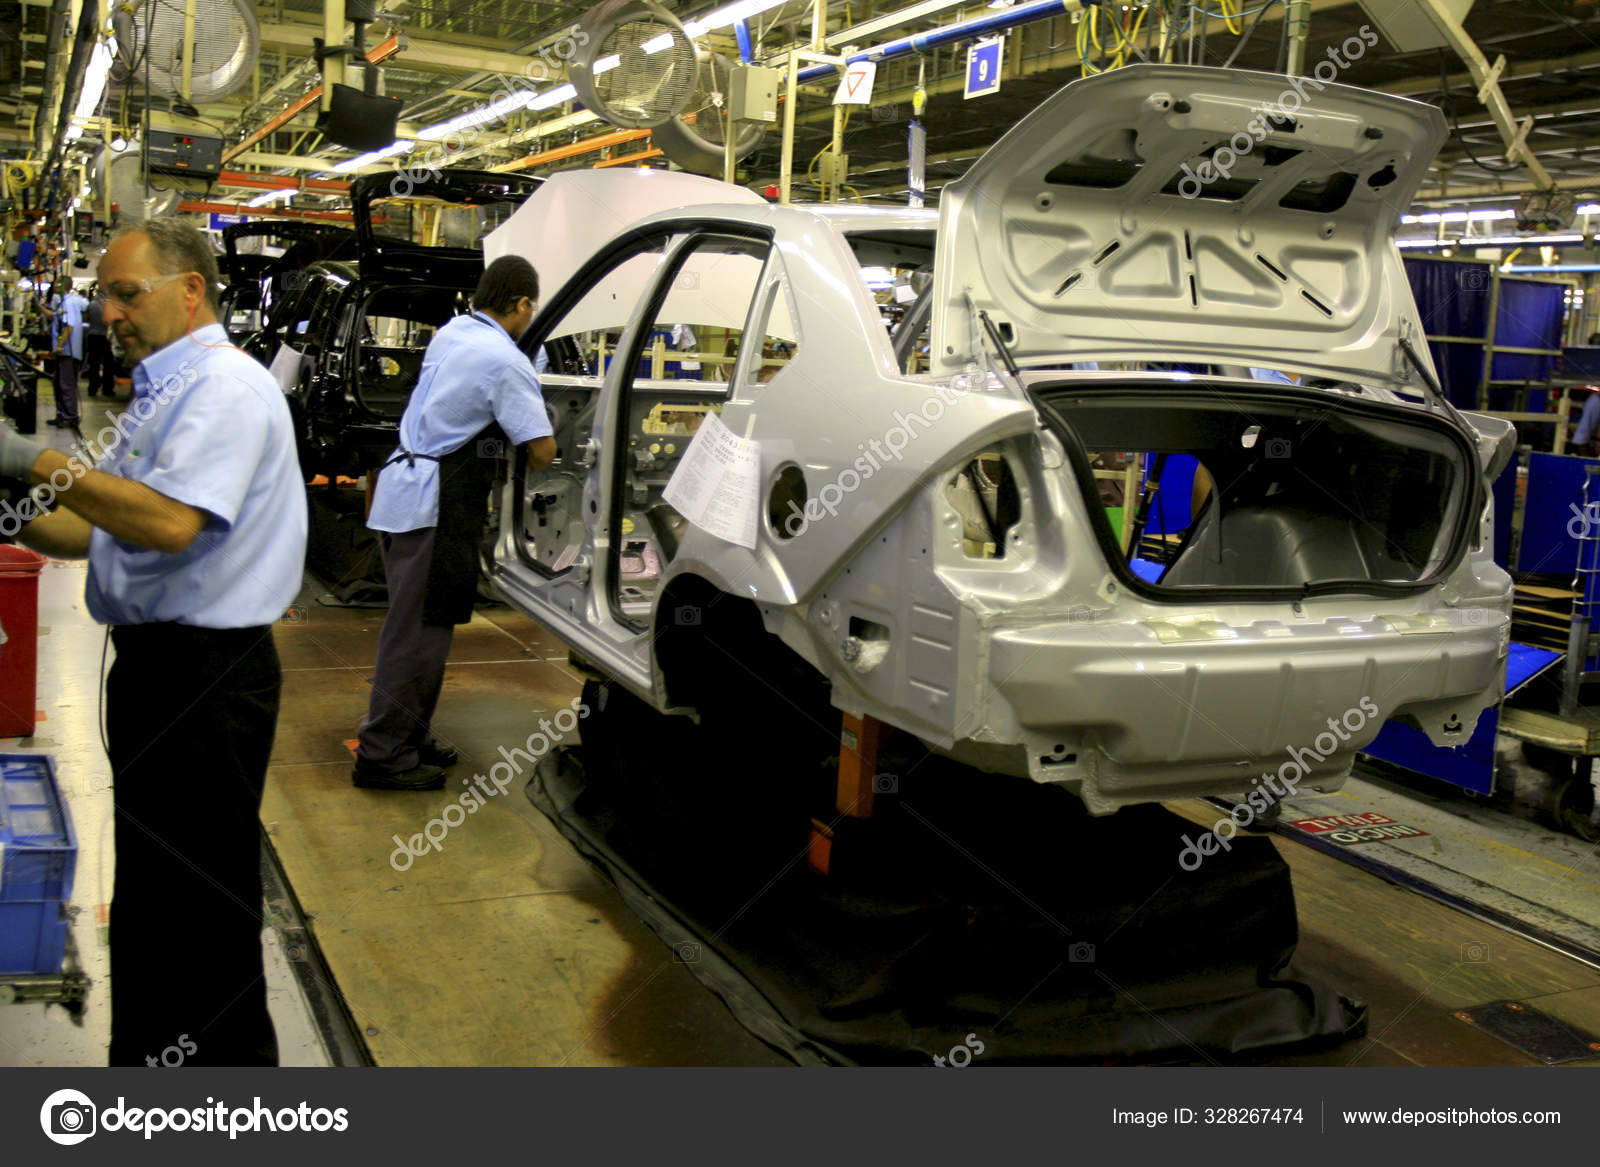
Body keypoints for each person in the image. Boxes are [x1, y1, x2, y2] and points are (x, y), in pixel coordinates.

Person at [0, 217, 308, 1066]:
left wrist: (31, 459)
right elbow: (98, 530)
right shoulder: (167, 393)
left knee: (200, 910)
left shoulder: (226, 390)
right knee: (156, 901)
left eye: (126, 293)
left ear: (190, 289)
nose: (109, 313)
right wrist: (16, 502)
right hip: (159, 672)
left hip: (204, 681)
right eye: (104, 294)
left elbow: (169, 523)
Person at [353, 255, 555, 791]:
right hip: (433, 506)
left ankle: (410, 738)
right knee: (415, 637)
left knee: (427, 631)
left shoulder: (454, 332)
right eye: (530, 309)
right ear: (521, 304)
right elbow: (541, 450)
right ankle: (381, 755)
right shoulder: (505, 361)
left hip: (403, 494)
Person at [49, 280, 87, 428]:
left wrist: (59, 346)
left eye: (57, 285)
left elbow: (69, 326)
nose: (55, 287)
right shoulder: (63, 303)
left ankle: (70, 416)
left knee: (66, 384)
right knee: (58, 383)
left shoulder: (68, 303)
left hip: (68, 352)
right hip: (64, 352)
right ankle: (62, 414)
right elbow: (55, 317)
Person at [82, 282, 117, 399]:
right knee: (108, 364)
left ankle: (93, 388)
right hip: (107, 337)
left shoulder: (91, 304)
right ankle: (108, 388)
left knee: (94, 364)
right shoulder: (111, 305)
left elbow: (85, 318)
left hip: (93, 336)